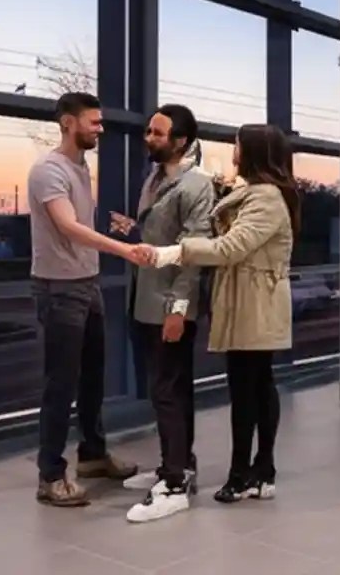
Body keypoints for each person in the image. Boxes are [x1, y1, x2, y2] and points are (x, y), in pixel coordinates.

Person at [137, 123, 298, 504]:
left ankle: (244, 474)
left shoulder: (267, 198)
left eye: (238, 145)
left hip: (254, 302)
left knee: (247, 389)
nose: (233, 152)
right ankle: (261, 471)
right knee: (257, 385)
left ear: (254, 152)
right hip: (249, 298)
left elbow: (230, 247)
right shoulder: (252, 192)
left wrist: (175, 252)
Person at [27, 91, 143, 507]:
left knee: (93, 377)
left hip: (86, 284)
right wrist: (124, 250)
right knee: (60, 386)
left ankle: (92, 456)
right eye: (92, 122)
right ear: (67, 123)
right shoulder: (47, 170)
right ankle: (50, 476)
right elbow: (69, 226)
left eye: (100, 121)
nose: (100, 128)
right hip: (60, 291)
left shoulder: (81, 167)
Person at [108, 105, 216, 524]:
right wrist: (134, 231)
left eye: (157, 133)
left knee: (169, 393)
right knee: (167, 391)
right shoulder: (154, 178)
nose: (148, 137)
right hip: (144, 301)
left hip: (169, 305)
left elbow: (192, 255)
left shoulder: (196, 186)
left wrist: (178, 310)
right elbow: (158, 237)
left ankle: (173, 485)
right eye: (149, 130)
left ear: (180, 141)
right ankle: (178, 465)